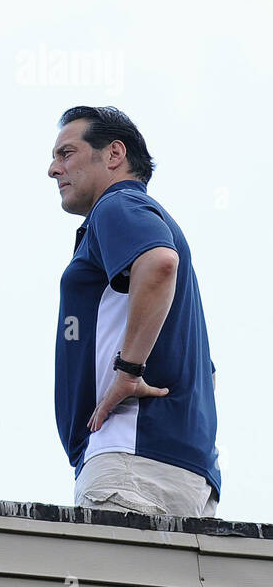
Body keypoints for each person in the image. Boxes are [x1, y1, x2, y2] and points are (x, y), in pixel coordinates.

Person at [49, 105, 219, 517]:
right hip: (190, 473)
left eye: (65, 153)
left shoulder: (117, 205)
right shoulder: (155, 219)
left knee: (104, 582)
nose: (53, 170)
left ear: (113, 155)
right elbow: (209, 373)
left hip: (129, 461)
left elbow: (159, 263)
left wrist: (128, 372)